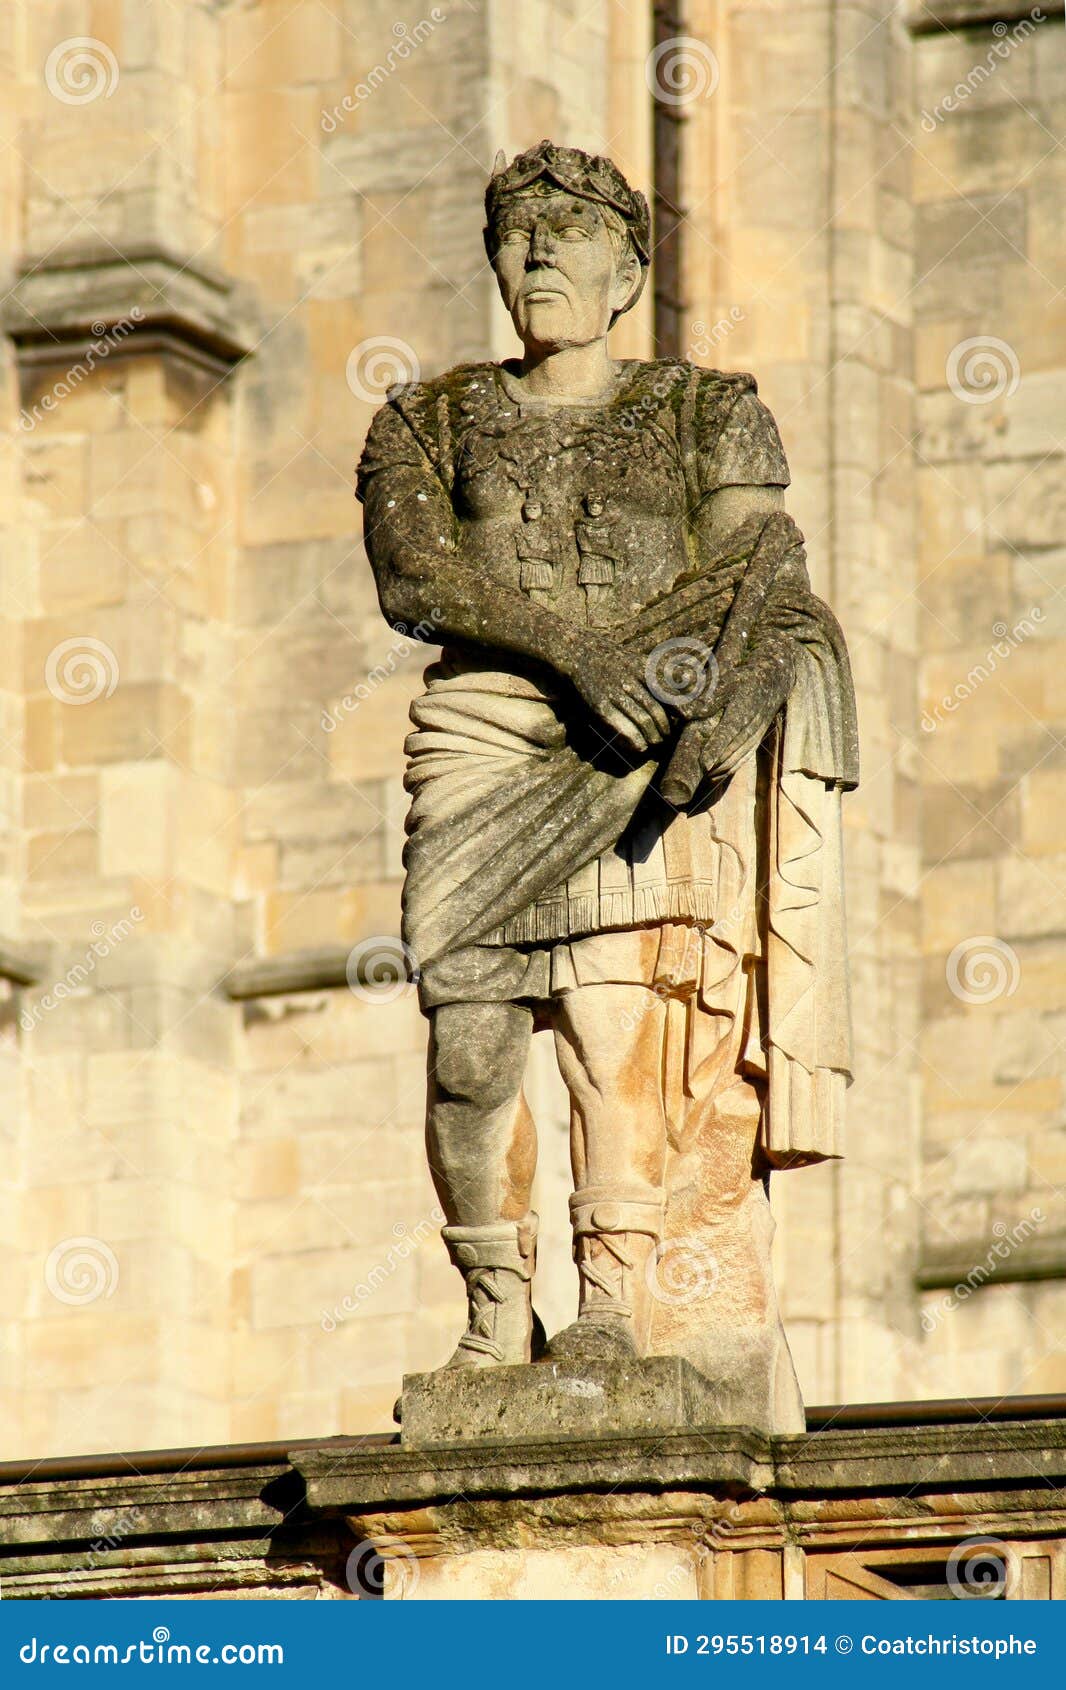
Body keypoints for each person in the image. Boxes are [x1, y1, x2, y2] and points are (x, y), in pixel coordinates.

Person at [356, 142, 857, 1429]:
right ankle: (489, 1307)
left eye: (570, 236)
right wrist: (576, 653)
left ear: (628, 269)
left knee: (612, 1037)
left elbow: (762, 577)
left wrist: (710, 707)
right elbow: (419, 582)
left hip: (636, 751)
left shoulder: (707, 409)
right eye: (519, 236)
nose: (539, 257)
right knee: (467, 1048)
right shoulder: (427, 416)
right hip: (487, 731)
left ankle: (612, 1301)